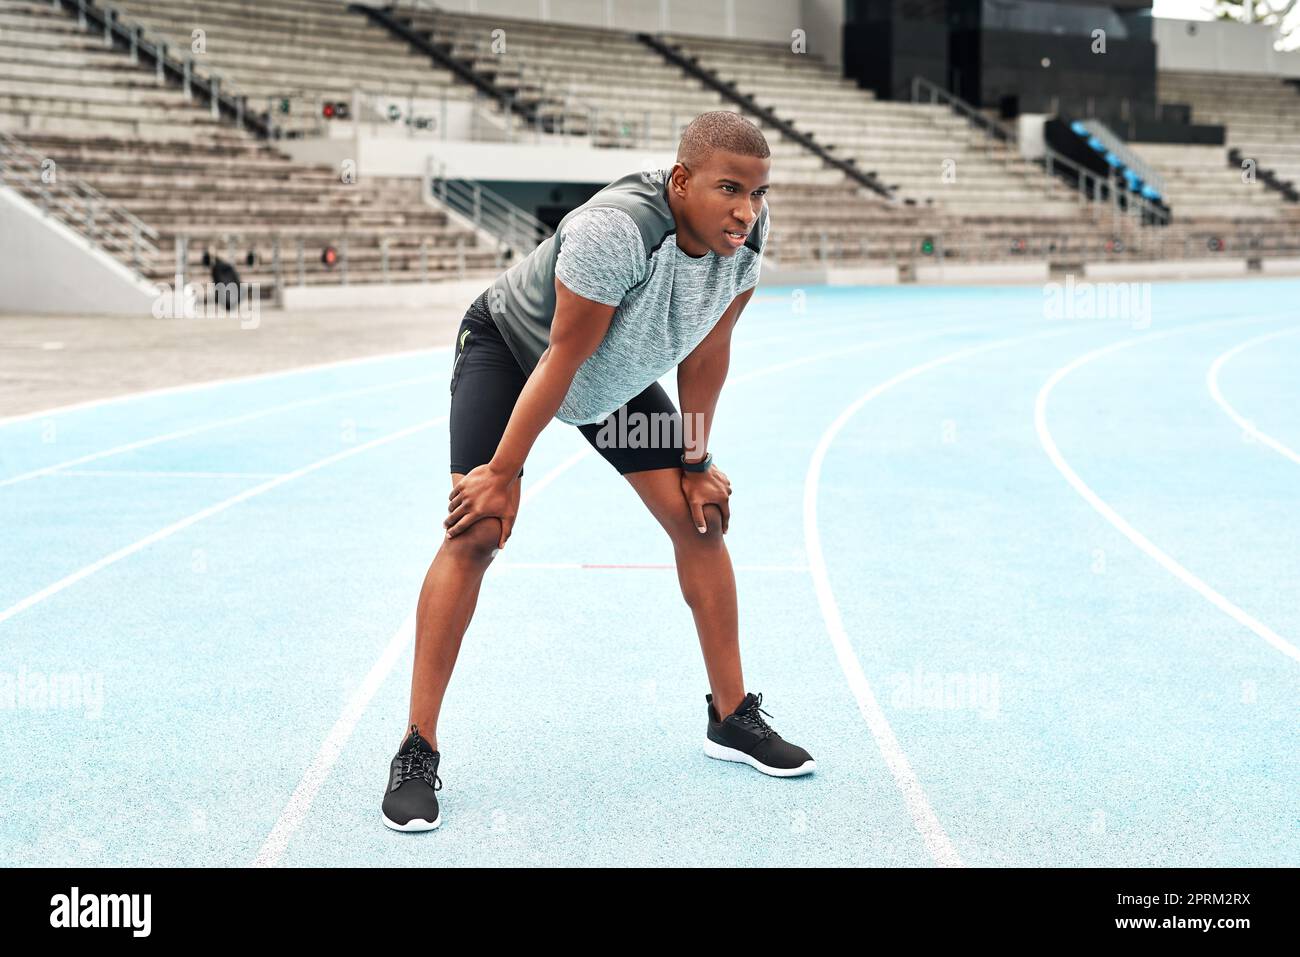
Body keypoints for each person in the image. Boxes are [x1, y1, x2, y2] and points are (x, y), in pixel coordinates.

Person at [381, 111, 815, 833]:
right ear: (681, 181)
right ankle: (416, 748)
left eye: (759, 192)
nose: (747, 209)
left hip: (607, 385)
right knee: (478, 530)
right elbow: (562, 357)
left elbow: (706, 356)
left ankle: (732, 717)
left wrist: (698, 461)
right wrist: (503, 472)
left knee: (699, 519)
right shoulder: (614, 231)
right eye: (730, 188)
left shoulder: (746, 239)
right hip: (517, 356)